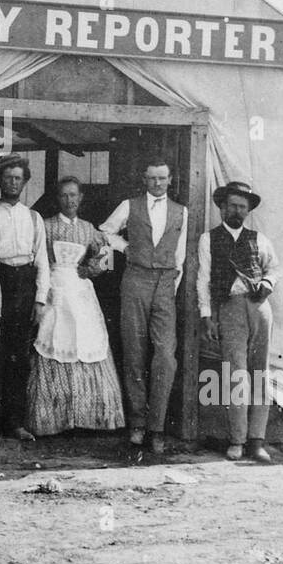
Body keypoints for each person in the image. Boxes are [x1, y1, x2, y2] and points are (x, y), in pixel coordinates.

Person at [100, 159, 188, 454]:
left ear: (170, 179)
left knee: (165, 356)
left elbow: (180, 257)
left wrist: (170, 288)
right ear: (144, 179)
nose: (157, 184)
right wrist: (125, 247)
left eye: (162, 178)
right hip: (135, 279)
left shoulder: (181, 212)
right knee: (134, 351)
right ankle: (137, 423)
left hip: (164, 285)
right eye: (152, 179)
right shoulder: (129, 205)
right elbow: (105, 231)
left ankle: (157, 427)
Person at [26, 176, 125, 435]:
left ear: (81, 198)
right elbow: (37, 259)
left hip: (80, 292)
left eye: (74, 195)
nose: (69, 200)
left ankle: (86, 418)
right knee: (56, 340)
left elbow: (107, 255)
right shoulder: (46, 226)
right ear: (57, 199)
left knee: (85, 341)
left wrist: (91, 269)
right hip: (54, 290)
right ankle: (54, 419)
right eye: (64, 196)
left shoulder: (89, 228)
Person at [195, 180, 281, 462]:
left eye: (242, 207)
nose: (237, 211)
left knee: (260, 372)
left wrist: (267, 283)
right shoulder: (209, 239)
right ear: (222, 207)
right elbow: (203, 280)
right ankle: (237, 440)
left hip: (259, 308)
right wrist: (207, 316)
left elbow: (274, 268)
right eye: (232, 205)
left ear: (248, 211)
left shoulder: (259, 239)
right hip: (229, 309)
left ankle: (257, 441)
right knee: (236, 375)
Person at [0, 153, 49, 444]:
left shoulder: (33, 217)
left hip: (26, 285)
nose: (12, 183)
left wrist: (40, 300)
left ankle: (15, 423)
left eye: (17, 178)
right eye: (7, 178)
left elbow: (42, 258)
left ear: (24, 182)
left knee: (20, 358)